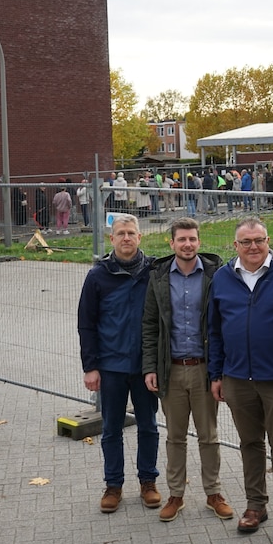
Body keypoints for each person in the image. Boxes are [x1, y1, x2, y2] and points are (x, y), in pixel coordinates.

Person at [207, 217, 273, 544]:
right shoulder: (222, 278)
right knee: (249, 444)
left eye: (259, 240)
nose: (253, 247)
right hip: (236, 378)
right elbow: (215, 331)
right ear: (234, 245)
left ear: (268, 241)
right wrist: (216, 374)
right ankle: (255, 506)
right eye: (246, 242)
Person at [141, 218, 234, 523]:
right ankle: (176, 495)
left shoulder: (214, 275)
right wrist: (150, 367)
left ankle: (214, 493)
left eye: (192, 239)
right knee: (175, 437)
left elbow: (221, 324)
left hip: (204, 369)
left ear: (199, 241)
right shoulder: (158, 277)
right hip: (172, 370)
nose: (187, 244)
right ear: (171, 243)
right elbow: (150, 325)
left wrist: (219, 372)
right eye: (181, 239)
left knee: (209, 436)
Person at [77, 214, 160, 514]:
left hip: (145, 367)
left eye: (131, 233)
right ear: (111, 239)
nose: (126, 238)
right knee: (111, 429)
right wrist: (90, 366)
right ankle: (113, 485)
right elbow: (86, 324)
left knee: (148, 426)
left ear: (140, 237)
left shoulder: (154, 272)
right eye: (120, 233)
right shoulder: (98, 276)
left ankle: (148, 481)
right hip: (110, 367)